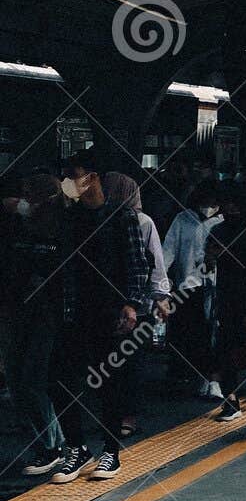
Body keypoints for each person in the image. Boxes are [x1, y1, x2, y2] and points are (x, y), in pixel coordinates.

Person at [50, 163, 153, 482]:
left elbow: (138, 266)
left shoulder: (122, 217)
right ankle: (78, 448)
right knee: (60, 378)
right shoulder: (70, 218)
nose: (68, 182)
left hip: (111, 312)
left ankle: (111, 451)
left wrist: (132, 306)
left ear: (92, 178)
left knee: (109, 381)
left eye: (73, 175)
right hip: (75, 311)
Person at [1, 175, 68, 476]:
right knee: (17, 380)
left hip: (48, 314)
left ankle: (51, 446)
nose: (24, 201)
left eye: (30, 195)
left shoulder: (59, 228)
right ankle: (54, 441)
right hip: (16, 310)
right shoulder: (15, 227)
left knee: (34, 378)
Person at [103, 173, 168, 439]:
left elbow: (155, 261)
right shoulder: (97, 219)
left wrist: (160, 296)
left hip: (137, 305)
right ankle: (114, 414)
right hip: (108, 302)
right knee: (111, 361)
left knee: (130, 363)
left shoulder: (142, 222)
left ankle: (127, 415)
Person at [207, 188, 246, 422]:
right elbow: (209, 262)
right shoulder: (218, 231)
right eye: (227, 204)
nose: (231, 209)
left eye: (236, 205)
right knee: (226, 349)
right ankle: (231, 399)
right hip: (227, 298)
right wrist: (212, 256)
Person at [162, 181, 222, 396]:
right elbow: (167, 250)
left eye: (213, 203)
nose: (208, 207)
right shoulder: (182, 219)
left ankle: (212, 379)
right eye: (204, 202)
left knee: (213, 333)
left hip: (214, 286)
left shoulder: (222, 222)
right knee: (191, 333)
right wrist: (161, 280)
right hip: (187, 286)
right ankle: (193, 376)